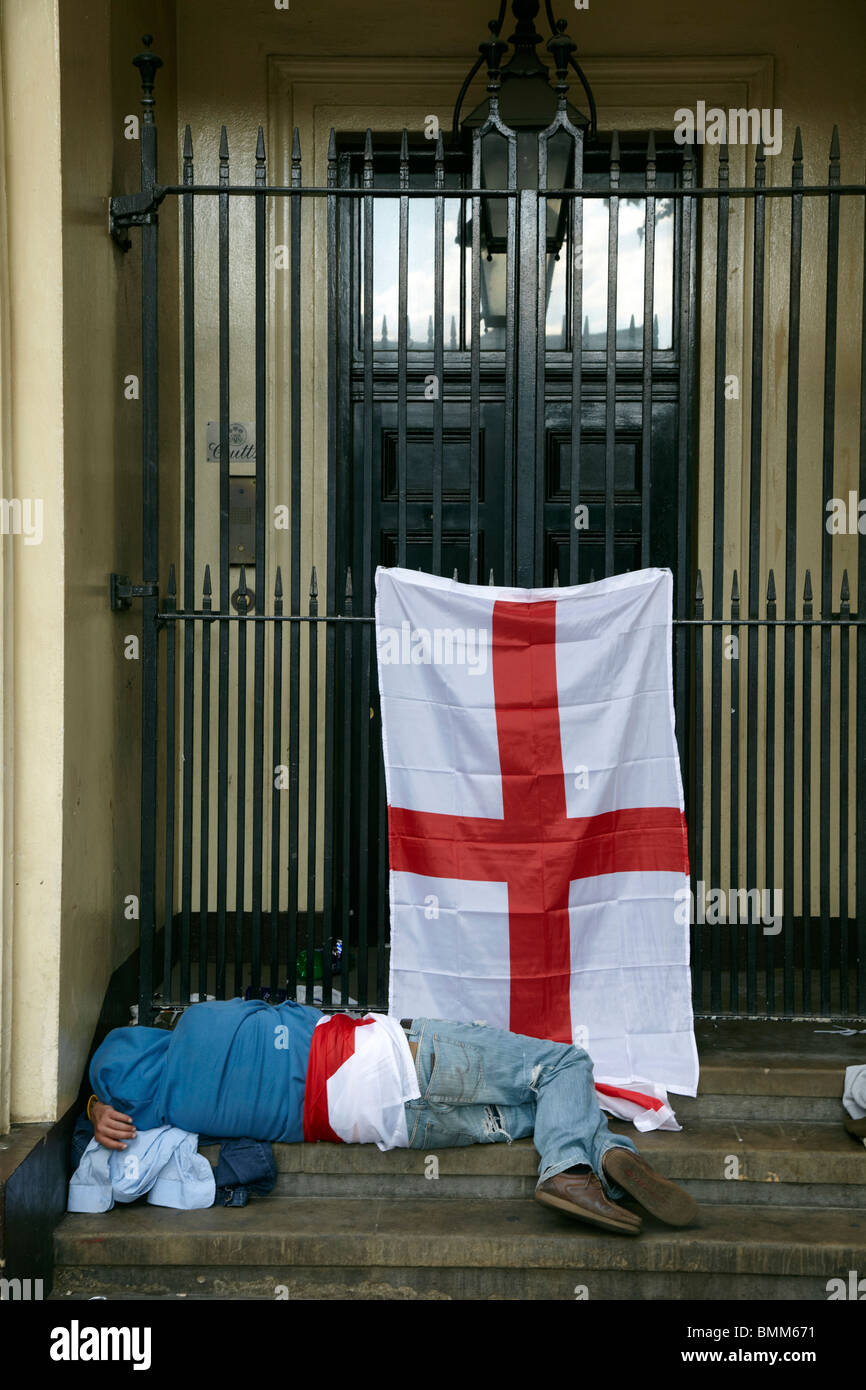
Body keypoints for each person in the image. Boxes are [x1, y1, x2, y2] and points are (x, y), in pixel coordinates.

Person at [84, 999, 697, 1236]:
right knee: (564, 1066)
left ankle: (609, 1156)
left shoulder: (188, 1117)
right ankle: (574, 1167)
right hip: (401, 1057)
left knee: (544, 1108)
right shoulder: (201, 1023)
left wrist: (92, 1110)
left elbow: (106, 1133)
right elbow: (279, 1007)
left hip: (392, 1128)